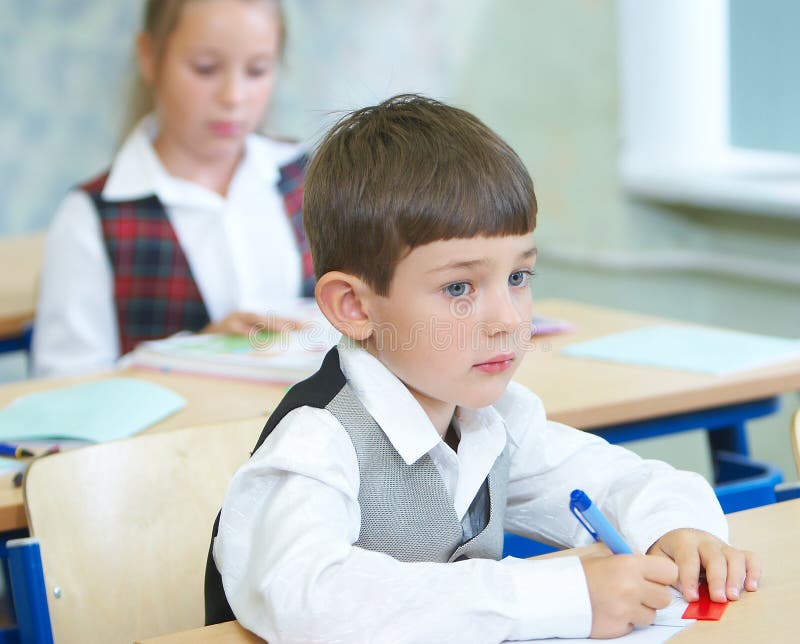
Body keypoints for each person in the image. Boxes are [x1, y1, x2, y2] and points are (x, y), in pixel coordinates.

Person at [205, 95, 761, 642]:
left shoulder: (488, 416)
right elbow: (309, 602)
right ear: (355, 307)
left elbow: (616, 480)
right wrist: (557, 597)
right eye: (458, 287)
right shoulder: (318, 441)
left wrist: (676, 528)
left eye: (519, 277)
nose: (506, 319)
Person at [32, 0, 312, 378]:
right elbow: (62, 387)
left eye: (258, 70)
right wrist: (193, 354)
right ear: (150, 56)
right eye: (206, 69)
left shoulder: (307, 177)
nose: (234, 96)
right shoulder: (94, 218)